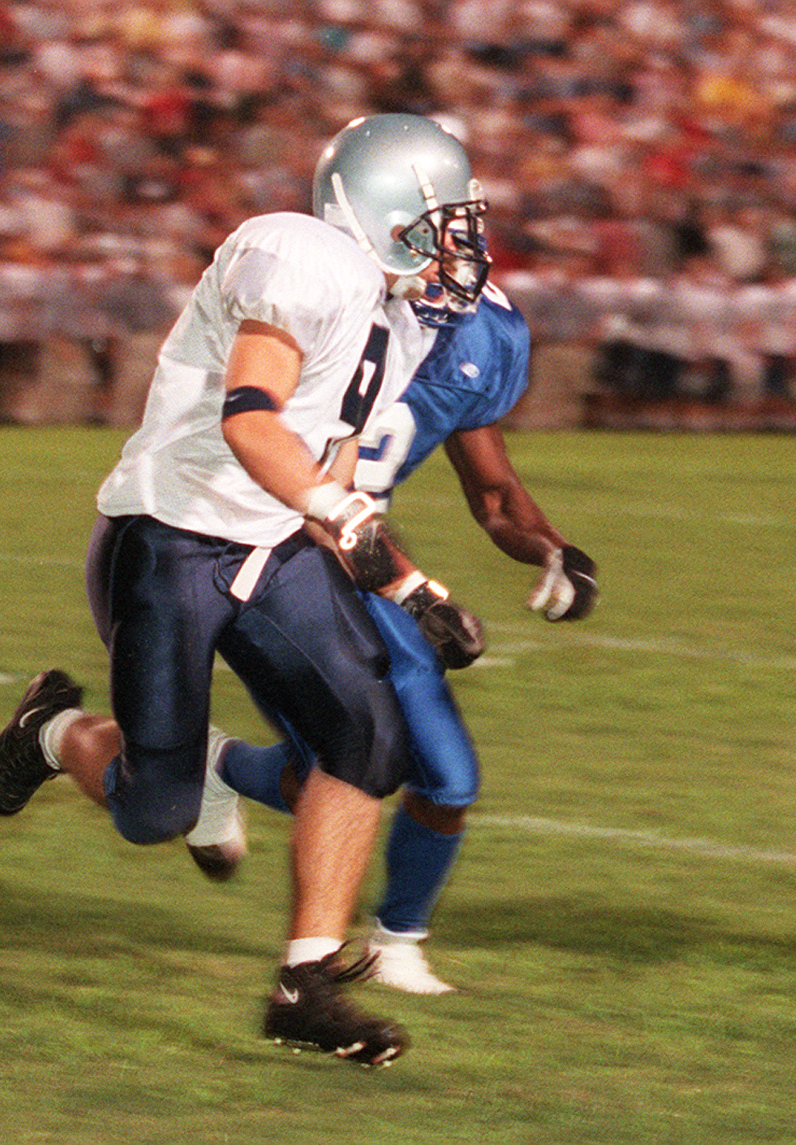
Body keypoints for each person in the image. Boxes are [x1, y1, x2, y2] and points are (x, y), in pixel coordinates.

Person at [0, 114, 496, 1065]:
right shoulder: (302, 257)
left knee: (369, 739)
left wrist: (415, 590)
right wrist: (336, 518)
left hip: (271, 547)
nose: (455, 249)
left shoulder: (385, 321)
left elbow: (327, 486)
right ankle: (51, 730)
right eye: (438, 225)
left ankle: (305, 982)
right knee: (155, 810)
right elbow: (253, 420)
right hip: (167, 542)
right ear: (378, 211)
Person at [184, 276, 599, 995]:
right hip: (277, 556)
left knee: (446, 777)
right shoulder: (316, 296)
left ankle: (393, 937)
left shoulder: (481, 332)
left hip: (369, 562)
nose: (450, 248)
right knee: (353, 769)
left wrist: (556, 549)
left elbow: (494, 492)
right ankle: (220, 785)